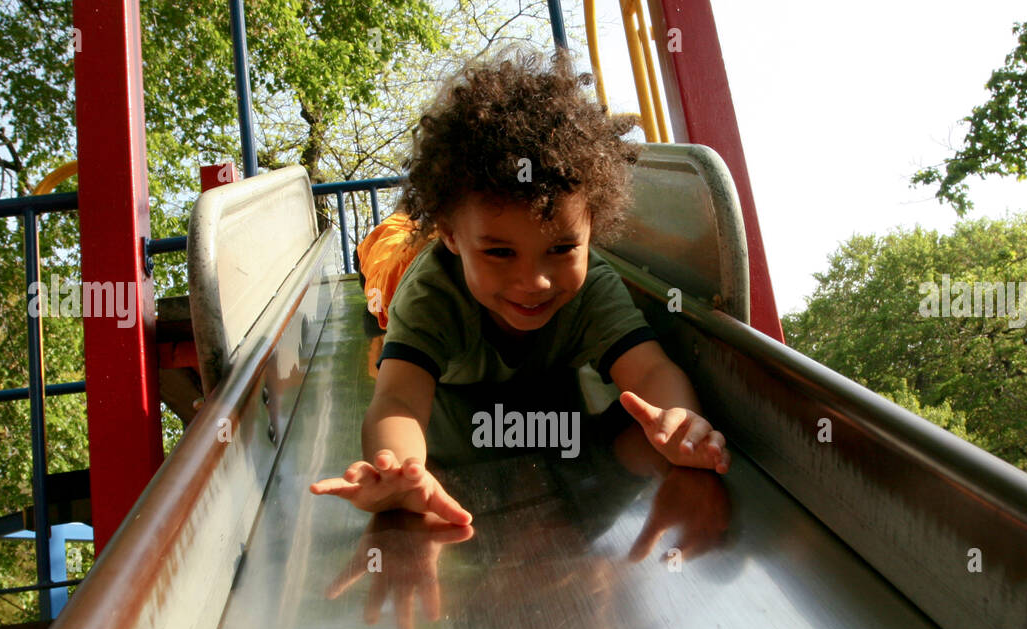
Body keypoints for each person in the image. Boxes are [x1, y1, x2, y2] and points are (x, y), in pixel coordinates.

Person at [312, 47, 730, 523]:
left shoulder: (593, 286)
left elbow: (651, 369)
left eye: (562, 248)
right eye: (500, 252)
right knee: (389, 254)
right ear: (452, 235)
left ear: (593, 227)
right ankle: (400, 233)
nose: (535, 282)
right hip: (400, 268)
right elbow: (398, 399)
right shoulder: (432, 292)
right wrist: (401, 468)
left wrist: (679, 421)